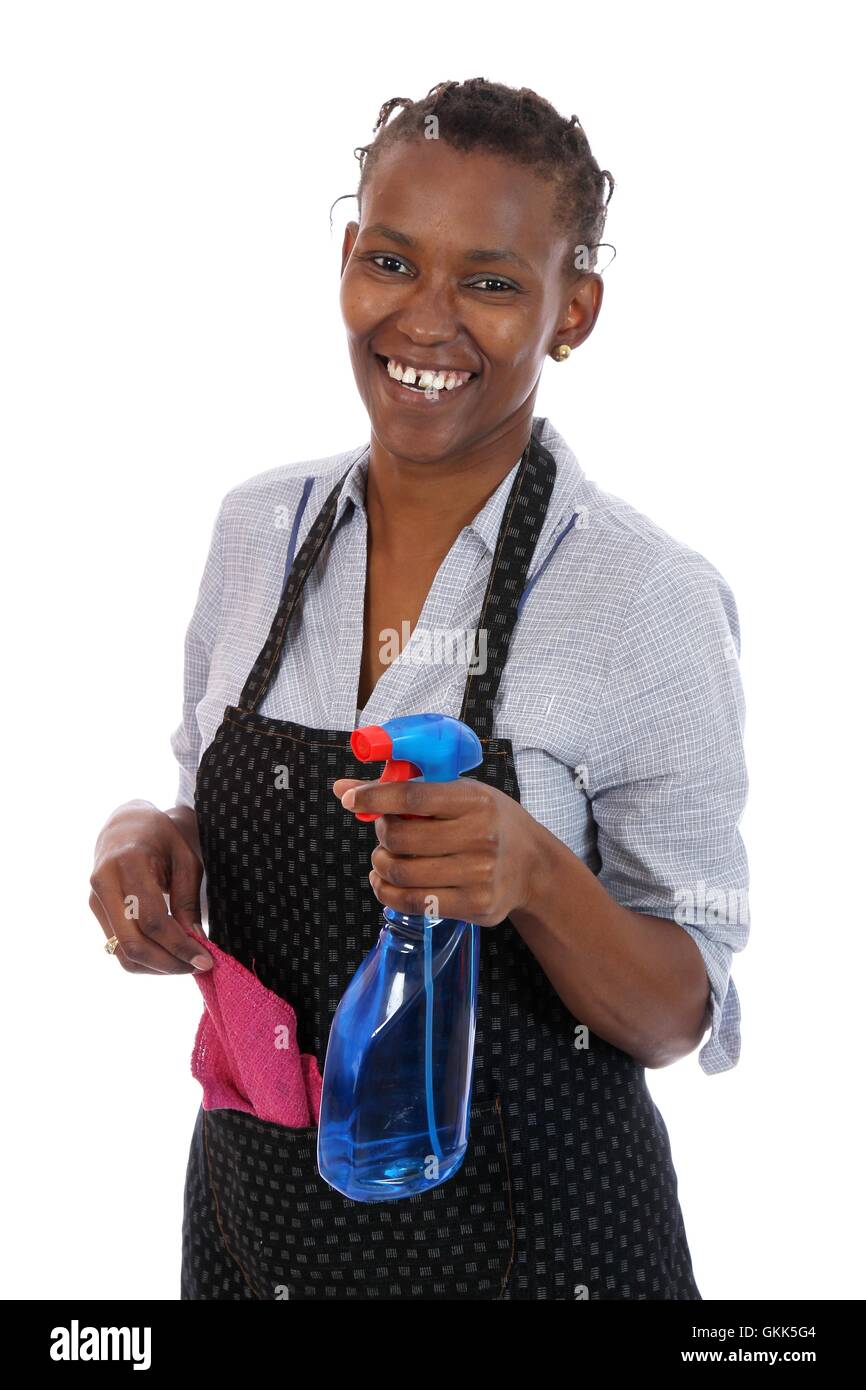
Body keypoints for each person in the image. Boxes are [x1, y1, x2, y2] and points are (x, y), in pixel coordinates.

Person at [89, 78, 749, 1301]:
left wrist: (537, 874)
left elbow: (677, 1011)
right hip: (256, 1244)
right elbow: (208, 795)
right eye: (391, 261)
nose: (425, 321)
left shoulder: (641, 595)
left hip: (544, 1258)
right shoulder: (254, 532)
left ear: (573, 311)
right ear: (347, 259)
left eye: (492, 282)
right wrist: (151, 833)